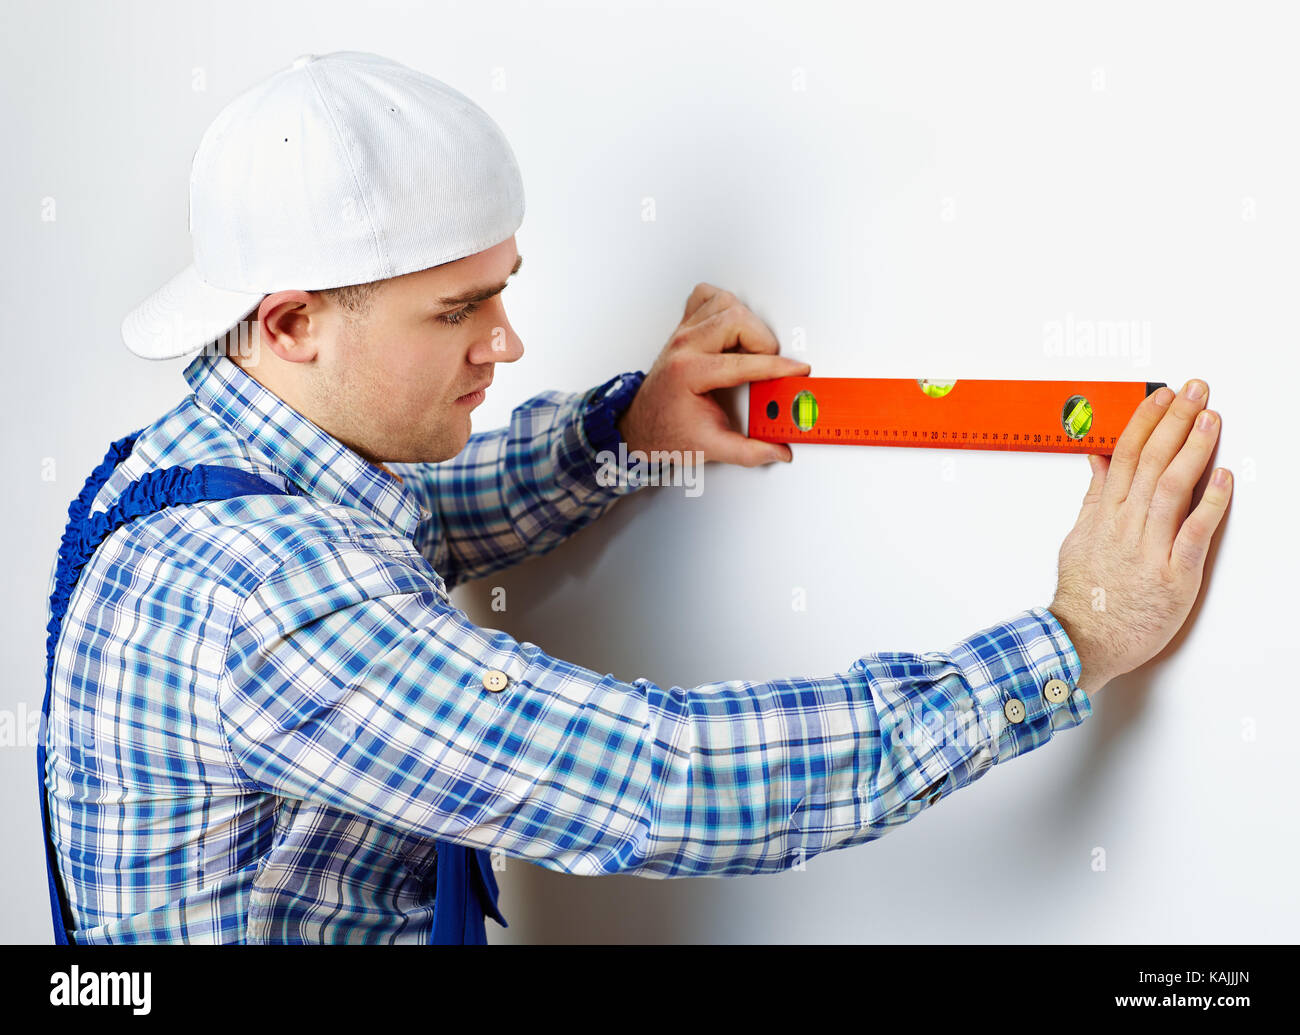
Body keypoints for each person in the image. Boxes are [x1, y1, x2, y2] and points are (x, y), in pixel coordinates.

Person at [39, 51, 1231, 945]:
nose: (506, 344)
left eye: (500, 289)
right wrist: (1071, 641)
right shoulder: (260, 594)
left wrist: (624, 431)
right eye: (455, 313)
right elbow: (665, 781)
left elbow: (422, 519)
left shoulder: (215, 465)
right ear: (293, 320)